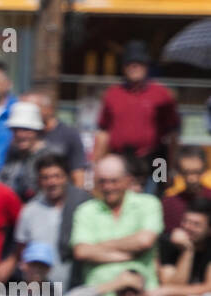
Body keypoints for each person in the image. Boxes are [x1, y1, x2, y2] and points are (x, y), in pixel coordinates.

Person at [95, 41, 179, 192]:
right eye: (130, 64)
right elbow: (103, 133)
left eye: (139, 63)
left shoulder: (162, 94)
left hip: (157, 158)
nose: (134, 67)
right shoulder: (112, 94)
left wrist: (170, 169)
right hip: (122, 157)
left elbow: (172, 134)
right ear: (123, 68)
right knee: (122, 198)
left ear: (146, 66)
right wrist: (97, 165)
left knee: (157, 197)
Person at [71, 154, 163, 291]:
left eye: (114, 181)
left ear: (128, 180)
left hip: (143, 295)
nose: (108, 187)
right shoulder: (85, 210)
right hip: (98, 295)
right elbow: (82, 252)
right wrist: (129, 254)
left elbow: (144, 241)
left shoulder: (149, 204)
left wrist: (101, 246)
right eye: (102, 181)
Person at [12, 152, 91, 290]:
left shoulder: (83, 207)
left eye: (57, 176)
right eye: (45, 177)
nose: (52, 182)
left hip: (76, 287)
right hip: (40, 291)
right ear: (39, 181)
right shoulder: (29, 211)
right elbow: (21, 250)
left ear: (66, 178)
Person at [18, 91, 86, 189]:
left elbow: (78, 175)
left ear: (48, 109)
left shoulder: (69, 134)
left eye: (32, 110)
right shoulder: (23, 137)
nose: (26, 115)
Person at [0, 101, 50, 202]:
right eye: (16, 130)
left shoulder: (49, 157)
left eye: (26, 130)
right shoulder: (12, 153)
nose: (20, 135)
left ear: (37, 131)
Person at [162, 144, 211, 232]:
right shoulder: (170, 203)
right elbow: (167, 234)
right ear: (179, 171)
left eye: (197, 172)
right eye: (186, 172)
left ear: (205, 169)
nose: (191, 178)